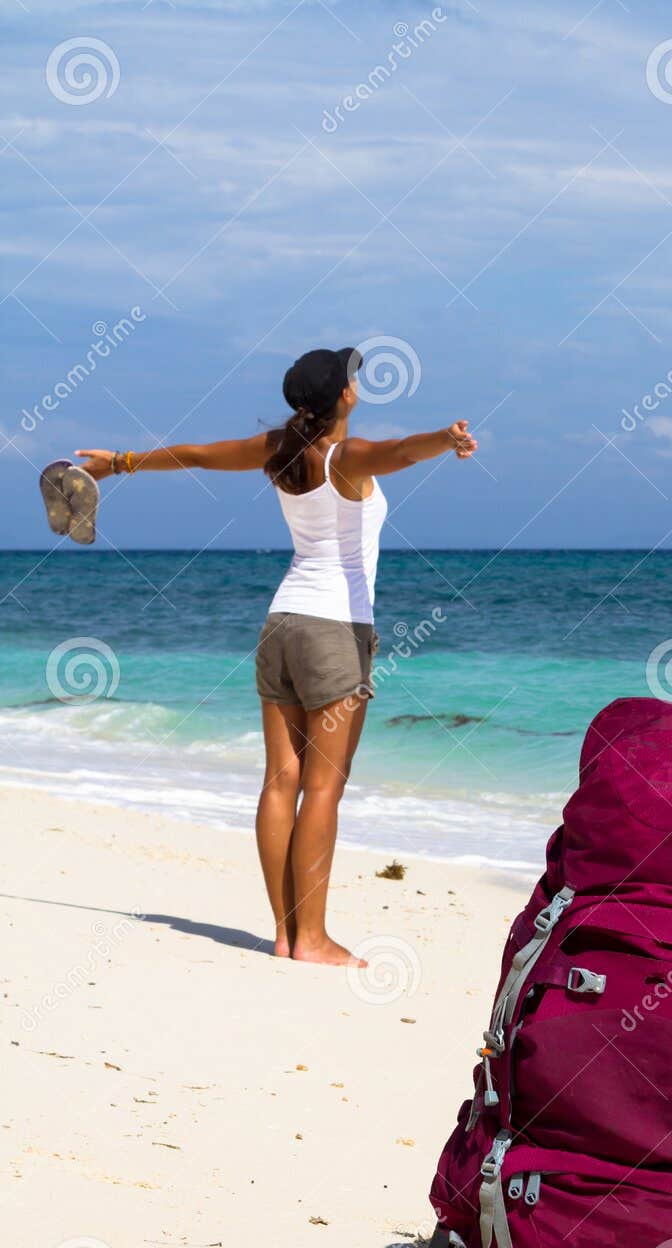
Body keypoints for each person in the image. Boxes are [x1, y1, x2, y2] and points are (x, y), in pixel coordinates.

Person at [76, 346, 477, 966]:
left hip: (282, 623)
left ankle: (286, 933)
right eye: (352, 377)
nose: (357, 384)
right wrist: (446, 439)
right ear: (343, 395)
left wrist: (120, 463)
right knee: (322, 788)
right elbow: (399, 452)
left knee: (280, 781)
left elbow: (197, 456)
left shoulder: (277, 448)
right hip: (333, 632)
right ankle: (311, 939)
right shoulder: (347, 456)